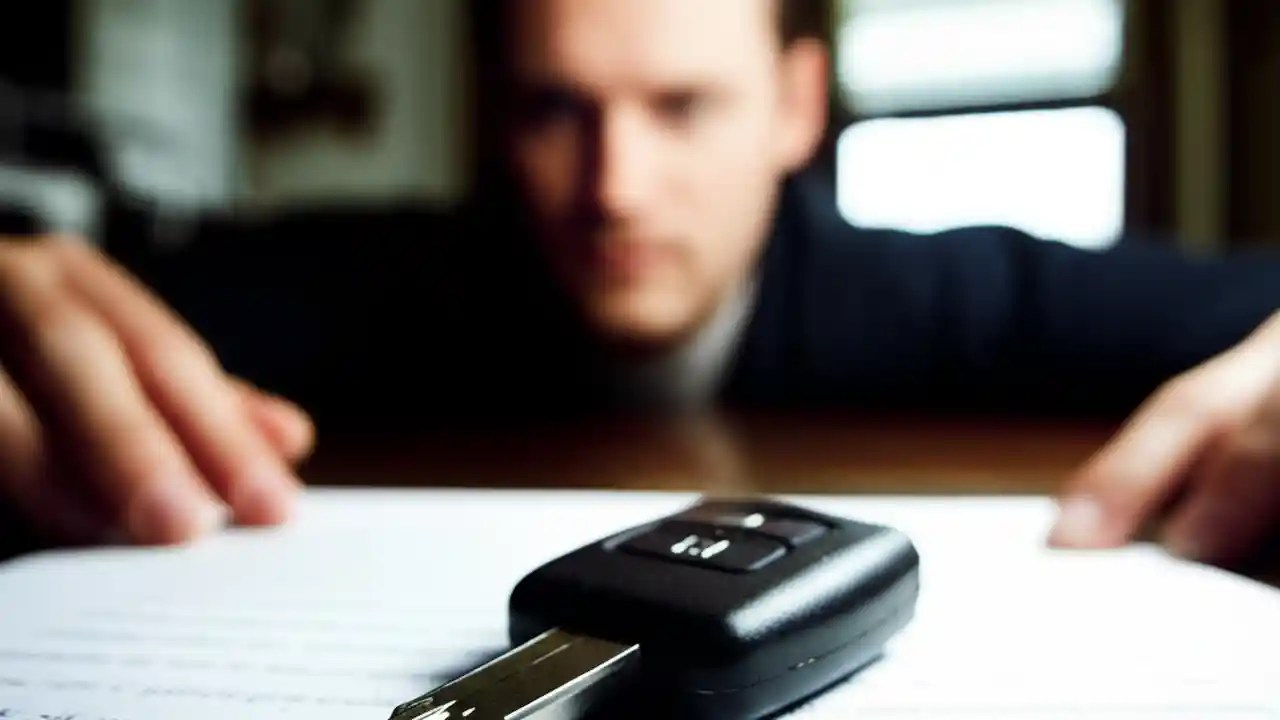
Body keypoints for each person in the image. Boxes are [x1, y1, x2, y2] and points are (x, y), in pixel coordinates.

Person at [1, 0, 1278, 568]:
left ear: (793, 108)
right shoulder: (380, 282)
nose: (612, 187)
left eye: (681, 107)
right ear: (498, 119)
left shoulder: (940, 289)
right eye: (557, 109)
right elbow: (98, 300)